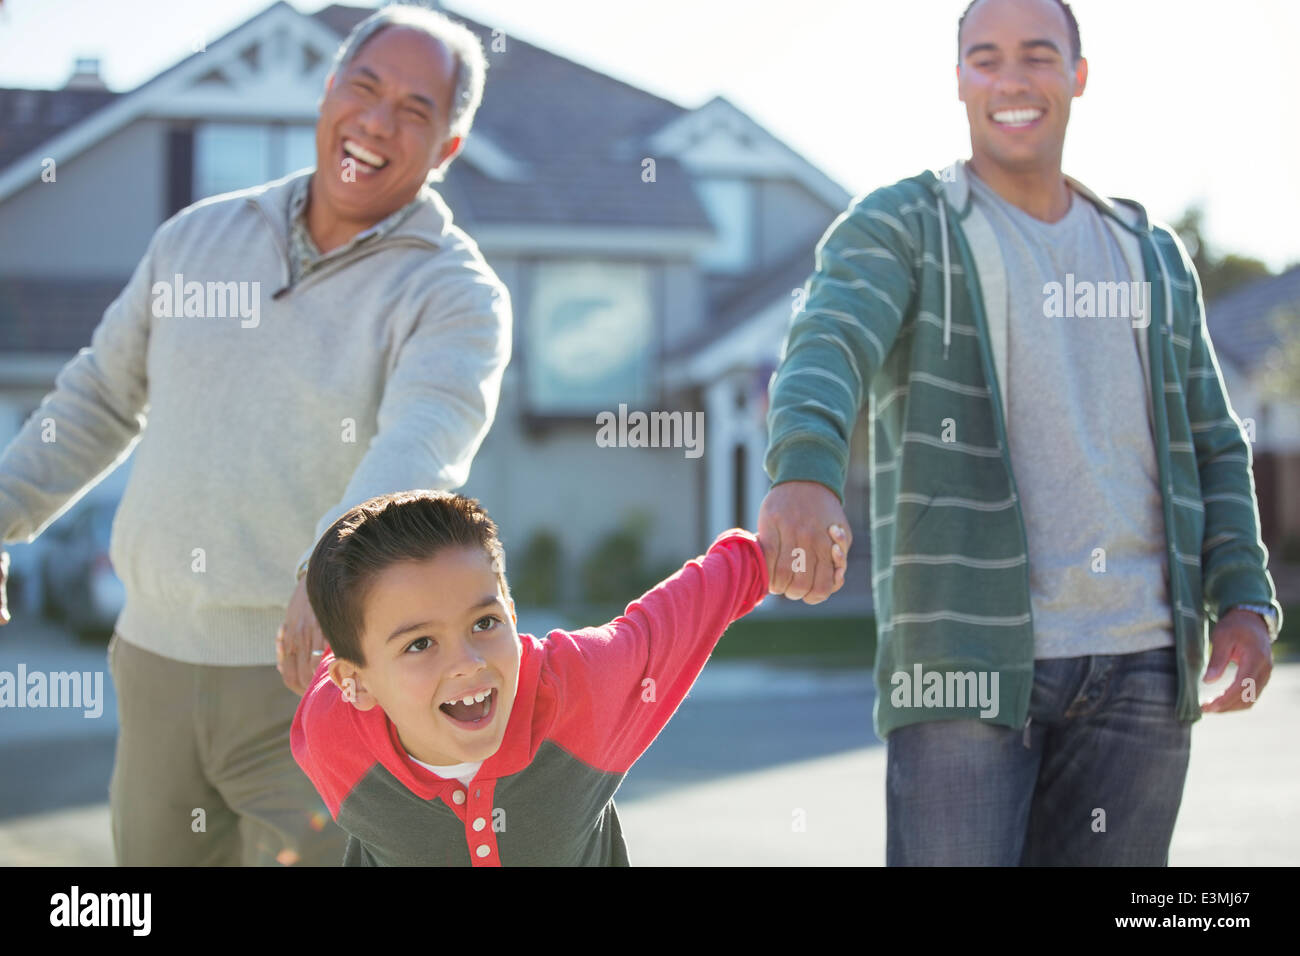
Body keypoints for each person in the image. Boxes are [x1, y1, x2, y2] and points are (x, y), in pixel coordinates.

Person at [758, 0, 1281, 865]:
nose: (1011, 79)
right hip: (961, 658)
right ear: (959, 79)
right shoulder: (903, 224)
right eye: (985, 57)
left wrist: (1247, 597)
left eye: (1039, 56)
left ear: (1078, 76)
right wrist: (806, 466)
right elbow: (830, 336)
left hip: (1145, 661)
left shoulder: (1147, 252)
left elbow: (1214, 441)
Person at [0, 4, 511, 865]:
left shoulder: (455, 292)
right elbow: (97, 397)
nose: (378, 121)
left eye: (415, 111)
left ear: (447, 151)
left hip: (314, 684)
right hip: (152, 657)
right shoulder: (196, 238)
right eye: (365, 86)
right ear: (327, 92)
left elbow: (422, 441)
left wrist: (330, 561)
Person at [291, 489, 847, 865]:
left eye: (484, 622)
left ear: (511, 611)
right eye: (419, 644)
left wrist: (772, 557)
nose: (466, 661)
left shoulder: (583, 687)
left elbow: (681, 613)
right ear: (355, 682)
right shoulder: (331, 732)